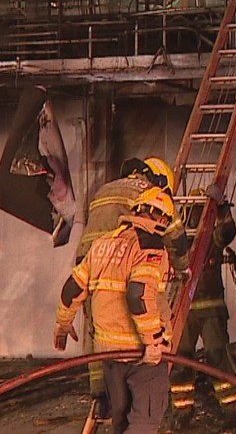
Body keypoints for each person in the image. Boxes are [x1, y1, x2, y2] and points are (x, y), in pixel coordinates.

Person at [55, 186, 176, 434]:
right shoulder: (151, 248)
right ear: (162, 219)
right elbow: (138, 295)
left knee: (120, 421)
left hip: (108, 355)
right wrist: (153, 341)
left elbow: (72, 289)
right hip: (141, 356)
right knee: (144, 422)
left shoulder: (102, 245)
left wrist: (64, 323)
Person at [77, 156, 188, 414]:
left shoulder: (104, 189)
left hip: (91, 260)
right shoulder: (151, 195)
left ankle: (101, 396)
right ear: (159, 180)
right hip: (124, 261)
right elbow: (175, 236)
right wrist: (182, 268)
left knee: (99, 328)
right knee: (130, 322)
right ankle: (134, 391)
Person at [169, 195, 236, 428]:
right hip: (182, 310)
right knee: (180, 360)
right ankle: (182, 412)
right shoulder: (176, 241)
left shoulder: (210, 238)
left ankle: (235, 408)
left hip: (209, 310)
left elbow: (227, 233)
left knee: (217, 357)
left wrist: (224, 211)